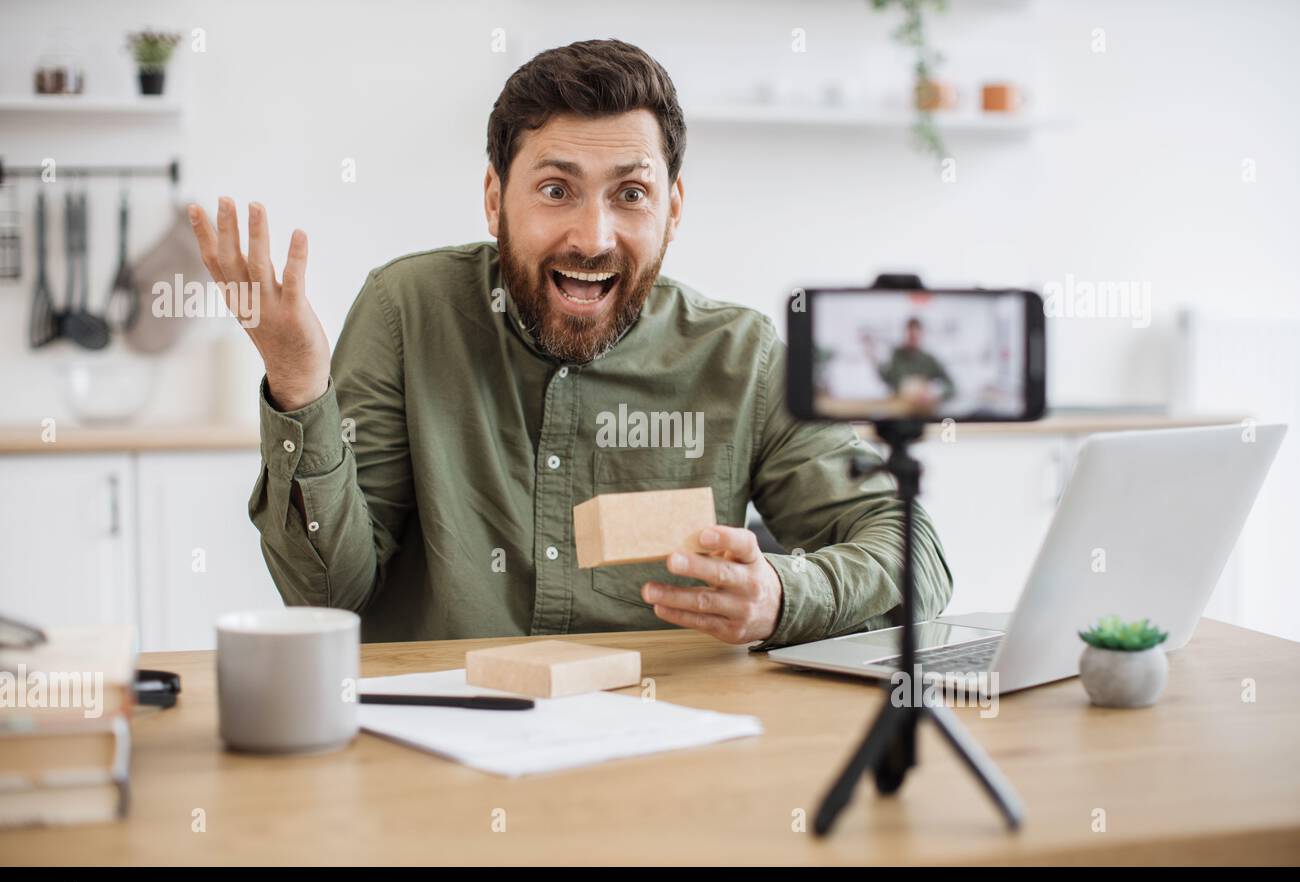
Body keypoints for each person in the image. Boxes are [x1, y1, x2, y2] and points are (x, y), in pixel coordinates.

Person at [186, 39, 952, 647]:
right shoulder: (406, 311)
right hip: (438, 751)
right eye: (556, 190)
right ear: (496, 198)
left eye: (631, 194)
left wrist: (783, 596)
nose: (593, 237)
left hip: (670, 743)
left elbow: (912, 553)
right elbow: (328, 597)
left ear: (672, 210)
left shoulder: (740, 358)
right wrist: (297, 380)